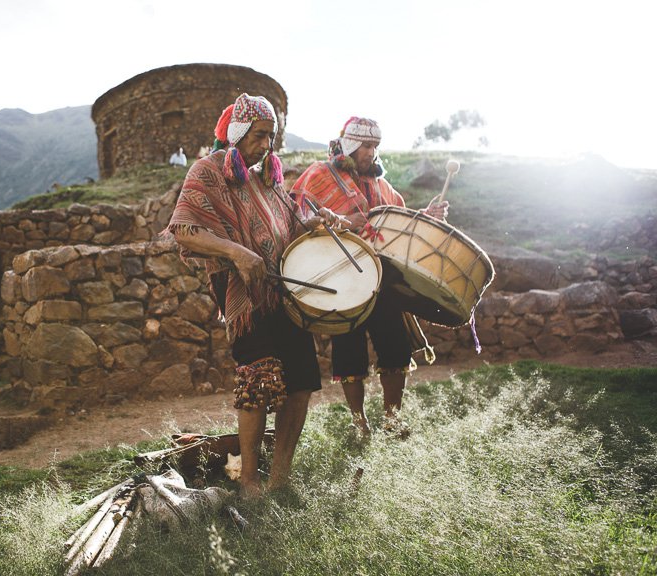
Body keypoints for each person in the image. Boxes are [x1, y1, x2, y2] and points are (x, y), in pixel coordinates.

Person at [166, 94, 342, 497]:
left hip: (284, 292)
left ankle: (280, 477)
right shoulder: (207, 172)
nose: (266, 145)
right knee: (257, 379)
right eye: (259, 135)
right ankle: (248, 480)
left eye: (271, 136)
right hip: (242, 294)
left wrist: (313, 223)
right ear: (239, 132)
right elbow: (184, 228)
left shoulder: (270, 178)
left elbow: (288, 225)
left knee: (299, 383)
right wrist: (237, 252)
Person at [291, 117, 448, 438]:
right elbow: (300, 217)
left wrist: (425, 216)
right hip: (342, 278)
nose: (371, 152)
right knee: (348, 350)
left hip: (383, 280)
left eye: (375, 146)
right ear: (349, 144)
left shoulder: (382, 186)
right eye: (366, 145)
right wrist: (346, 221)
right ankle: (359, 422)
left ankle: (392, 419)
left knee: (394, 347)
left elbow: (397, 224)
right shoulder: (320, 175)